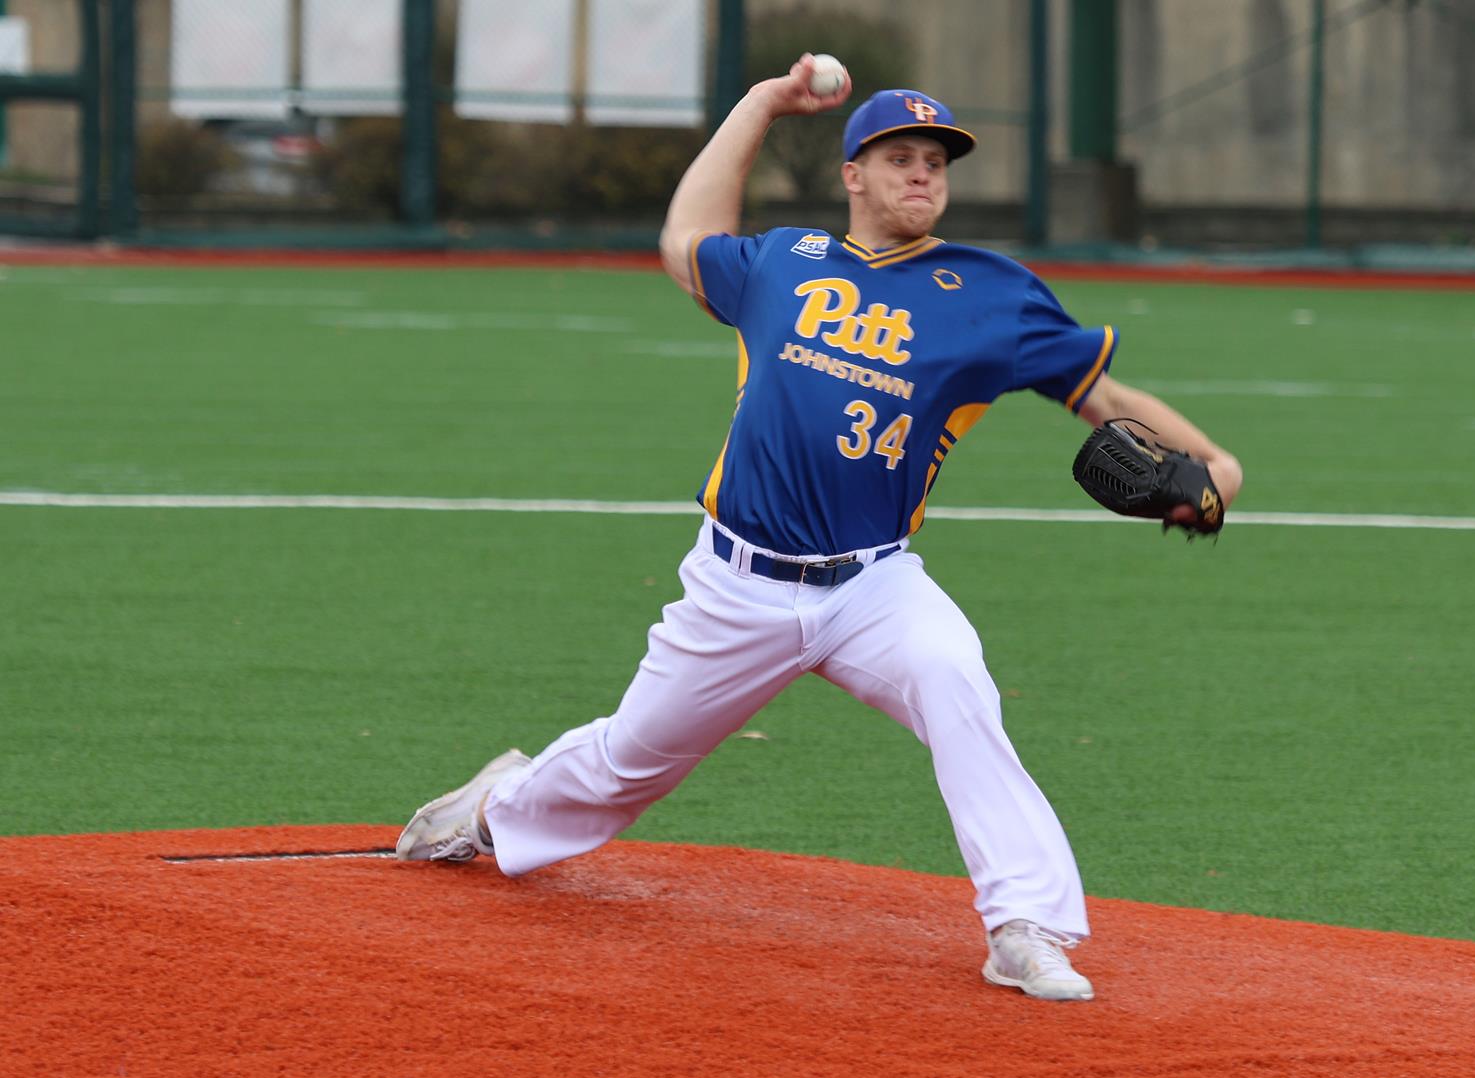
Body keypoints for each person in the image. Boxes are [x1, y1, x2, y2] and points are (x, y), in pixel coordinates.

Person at [396, 56, 1243, 1002]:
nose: (922, 174)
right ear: (853, 174)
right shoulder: (783, 264)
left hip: (873, 585)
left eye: (936, 161)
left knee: (955, 680)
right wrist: (763, 102)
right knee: (628, 764)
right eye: (900, 158)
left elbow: (1105, 397)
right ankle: (496, 804)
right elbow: (685, 238)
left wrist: (1214, 464)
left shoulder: (993, 295)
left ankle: (1024, 925)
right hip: (737, 585)